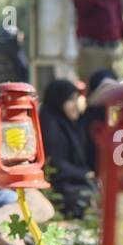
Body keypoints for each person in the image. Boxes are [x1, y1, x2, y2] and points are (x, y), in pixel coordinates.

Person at [38, 79, 95, 218]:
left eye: (77, 99)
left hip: (72, 183)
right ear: (58, 101)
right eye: (70, 100)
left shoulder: (70, 124)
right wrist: (83, 174)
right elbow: (55, 165)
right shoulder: (49, 124)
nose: (75, 105)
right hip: (60, 189)